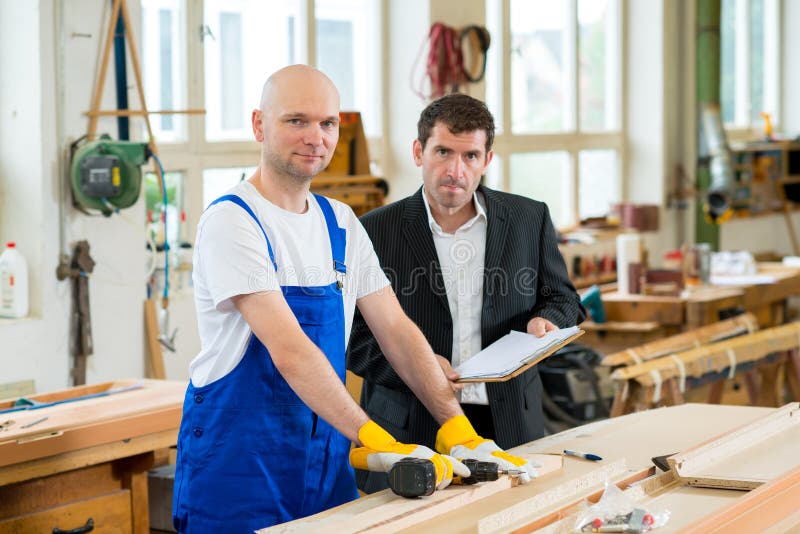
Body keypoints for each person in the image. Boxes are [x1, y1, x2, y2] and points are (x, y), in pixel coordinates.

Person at [172, 66, 537, 533]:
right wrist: (373, 435)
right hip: (240, 466)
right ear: (259, 125)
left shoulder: (339, 222)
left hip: (324, 461)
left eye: (327, 124)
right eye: (296, 121)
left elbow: (398, 332)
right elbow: (291, 351)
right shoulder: (234, 221)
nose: (315, 138)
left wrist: (458, 429)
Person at [347, 93, 586, 493]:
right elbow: (351, 337)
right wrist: (418, 369)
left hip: (509, 420)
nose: (455, 170)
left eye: (470, 156)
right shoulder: (372, 231)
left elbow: (564, 300)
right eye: (442, 152)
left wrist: (549, 321)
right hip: (410, 425)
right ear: (419, 151)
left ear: (487, 159)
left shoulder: (530, 219)